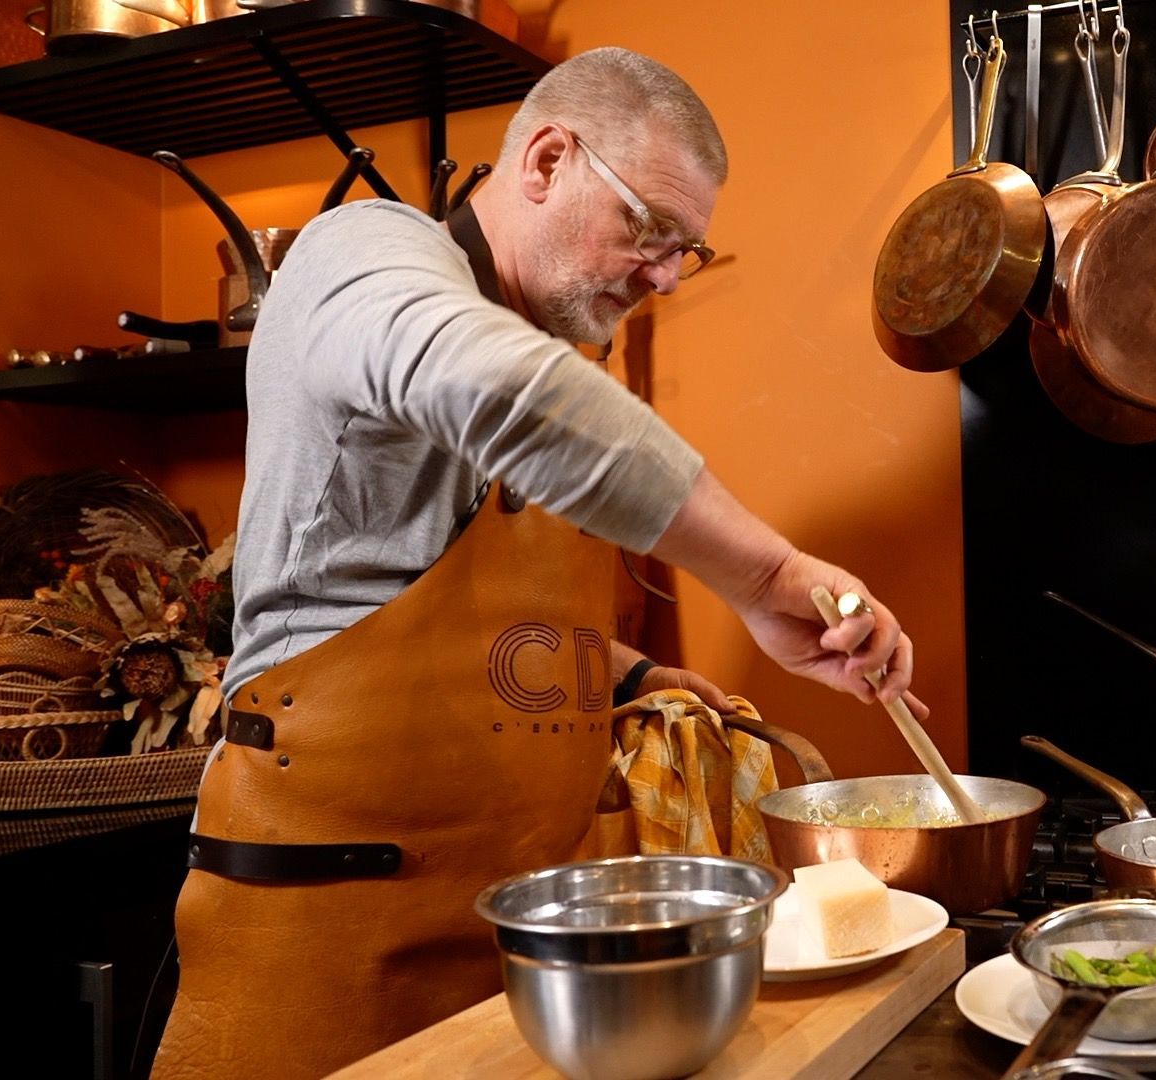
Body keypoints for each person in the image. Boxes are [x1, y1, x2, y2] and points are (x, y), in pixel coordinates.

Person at [152, 47, 924, 1078]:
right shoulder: (364, 252)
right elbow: (496, 390)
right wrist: (768, 575)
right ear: (547, 160)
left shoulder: (559, 347)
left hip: (519, 950)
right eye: (648, 230)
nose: (660, 276)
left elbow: (448, 621)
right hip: (327, 930)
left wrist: (629, 673)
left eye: (684, 252)